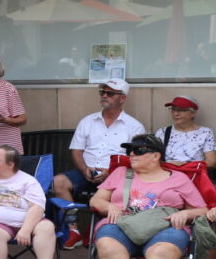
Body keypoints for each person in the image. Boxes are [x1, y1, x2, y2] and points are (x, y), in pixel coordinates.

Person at [89, 133, 210, 259]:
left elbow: (203, 209)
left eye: (139, 150)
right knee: (106, 244)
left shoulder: (179, 178)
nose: (132, 155)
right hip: (122, 225)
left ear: (156, 156)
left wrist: (186, 214)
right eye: (130, 151)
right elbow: (95, 200)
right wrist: (108, 206)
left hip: (165, 228)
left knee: (164, 251)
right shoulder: (121, 173)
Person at [50, 79, 145, 207]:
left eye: (110, 93)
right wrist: (84, 170)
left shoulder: (134, 127)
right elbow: (76, 150)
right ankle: (71, 225)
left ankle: (107, 223)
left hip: (116, 175)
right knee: (58, 182)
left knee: (119, 191)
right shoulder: (87, 121)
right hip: (86, 172)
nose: (105, 96)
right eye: (102, 92)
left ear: (122, 98)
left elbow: (137, 158)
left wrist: (110, 171)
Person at [158, 95, 216, 170]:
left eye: (181, 110)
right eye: (173, 109)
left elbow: (212, 162)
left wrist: (186, 165)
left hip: (192, 174)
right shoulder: (163, 132)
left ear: (193, 113)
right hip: (167, 175)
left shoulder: (205, 133)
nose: (175, 113)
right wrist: (169, 164)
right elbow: (152, 159)